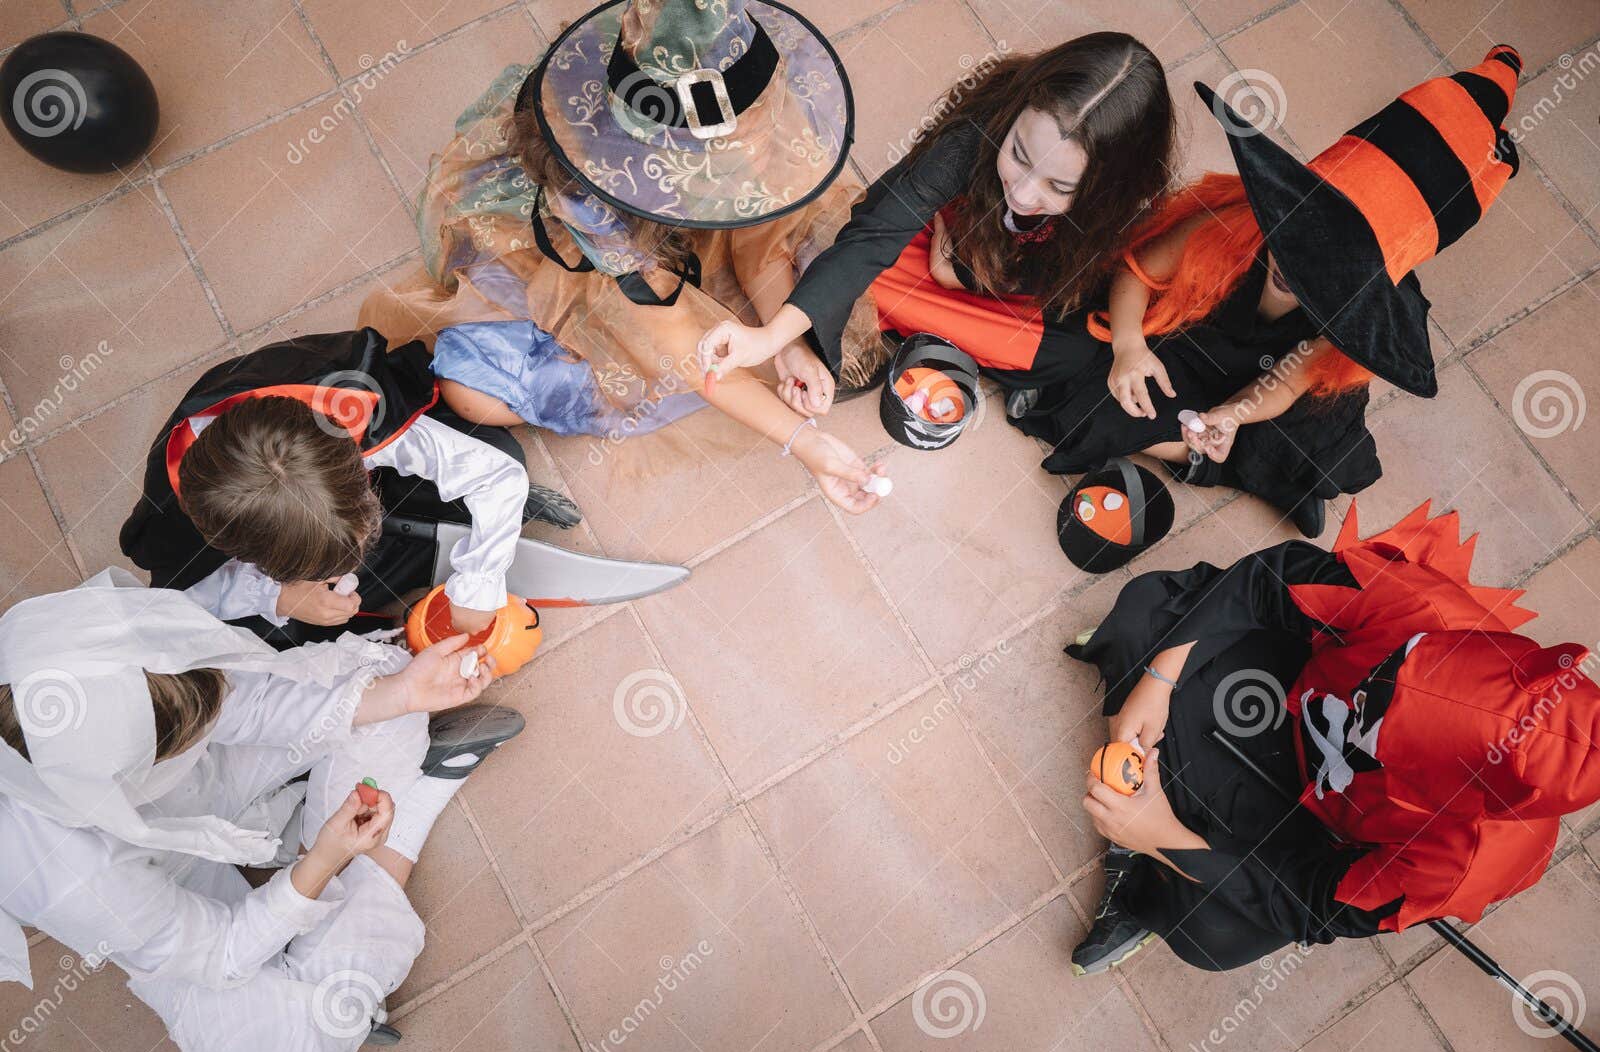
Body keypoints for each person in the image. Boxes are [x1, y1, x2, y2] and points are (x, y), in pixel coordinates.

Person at [359, 0, 887, 513]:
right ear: (669, 156)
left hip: (666, 200)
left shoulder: (749, 92)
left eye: (753, 136)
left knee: (784, 246)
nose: (754, 152)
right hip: (588, 257)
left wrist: (788, 342)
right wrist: (806, 443)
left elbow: (760, 237)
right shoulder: (595, 199)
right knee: (475, 394)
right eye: (732, 150)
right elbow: (678, 336)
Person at [0, 571, 523, 1052]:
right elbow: (221, 952)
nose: (213, 717)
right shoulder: (69, 878)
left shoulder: (75, 649)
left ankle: (345, 894)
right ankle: (400, 818)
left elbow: (244, 706)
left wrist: (404, 693)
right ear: (126, 773)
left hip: (207, 780)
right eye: (193, 731)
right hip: (165, 883)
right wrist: (320, 862)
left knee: (385, 681)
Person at [1066, 502, 1600, 976]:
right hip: (1279, 683)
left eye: (1383, 732)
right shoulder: (1428, 612)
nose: (1367, 703)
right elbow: (1266, 583)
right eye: (1391, 677)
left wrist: (1162, 837)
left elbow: (1313, 903)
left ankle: (1142, 864)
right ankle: (1140, 697)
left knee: (1216, 937)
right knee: (1148, 616)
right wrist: (1159, 681)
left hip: (1305, 819)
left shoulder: (1471, 860)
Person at [1013, 46, 1524, 538]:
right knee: (1087, 355)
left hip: (1264, 388)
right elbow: (1135, 273)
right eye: (1295, 247)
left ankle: (1225, 456)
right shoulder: (1229, 229)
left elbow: (1284, 383)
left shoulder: (1353, 322)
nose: (1295, 274)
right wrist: (1128, 346)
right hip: (1183, 344)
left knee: (1313, 448)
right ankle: (1207, 456)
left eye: (1326, 279)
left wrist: (1233, 413)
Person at [697, 31, 1177, 419]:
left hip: (999, 279)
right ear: (1013, 115)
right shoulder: (972, 136)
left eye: (1059, 187)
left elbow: (1088, 276)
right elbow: (874, 237)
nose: (1024, 193)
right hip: (929, 238)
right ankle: (861, 322)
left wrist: (967, 274)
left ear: (1106, 189)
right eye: (1018, 155)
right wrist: (772, 338)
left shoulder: (1127, 203)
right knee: (842, 266)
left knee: (1069, 352)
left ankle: (907, 320)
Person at [118, 328, 575, 647]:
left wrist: (479, 584)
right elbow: (184, 597)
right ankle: (425, 551)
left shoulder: (347, 412)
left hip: (374, 468)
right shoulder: (180, 518)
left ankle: (435, 536)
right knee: (263, 637)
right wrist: (278, 596)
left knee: (497, 452)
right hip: (303, 532)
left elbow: (496, 473)